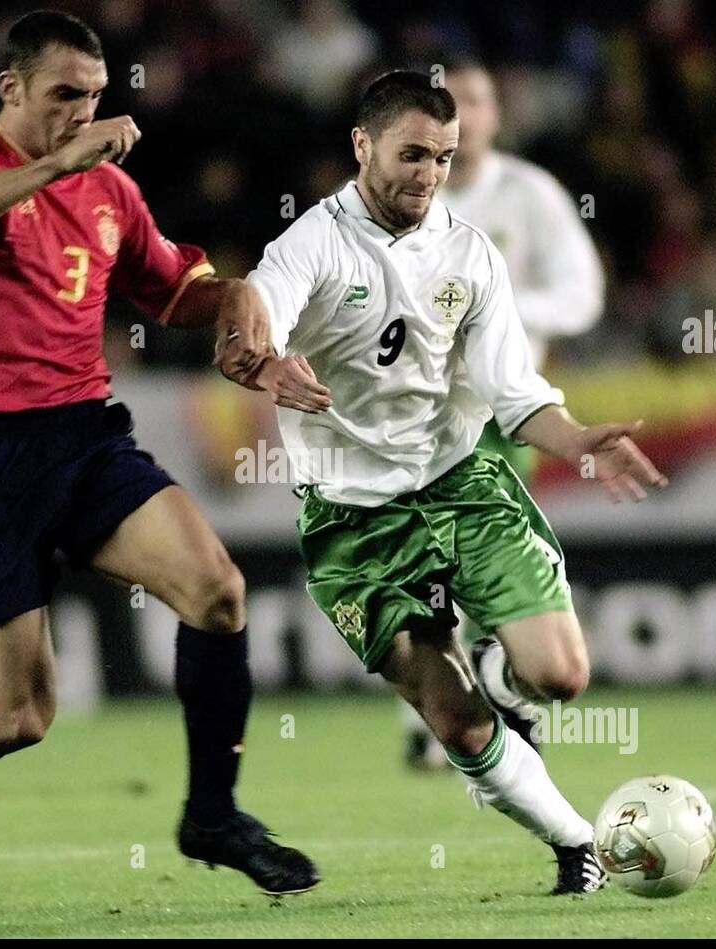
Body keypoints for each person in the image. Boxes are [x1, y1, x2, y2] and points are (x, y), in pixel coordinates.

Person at [0, 10, 328, 914]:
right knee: (18, 717)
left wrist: (241, 302)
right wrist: (54, 167)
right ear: (13, 89)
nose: (83, 112)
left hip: (87, 439)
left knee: (218, 592)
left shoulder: (110, 194)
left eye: (96, 97)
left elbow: (172, 286)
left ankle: (213, 815)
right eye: (64, 93)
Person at [224, 71, 666, 893]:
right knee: (457, 728)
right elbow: (251, 320)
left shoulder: (470, 253)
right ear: (363, 146)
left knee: (561, 678)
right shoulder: (309, 246)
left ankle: (501, 674)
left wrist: (577, 442)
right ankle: (579, 847)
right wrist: (266, 365)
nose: (429, 174)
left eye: (444, 157)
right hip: (353, 522)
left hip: (462, 484)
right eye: (413, 154)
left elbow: (516, 390)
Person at [397, 58, 608, 769]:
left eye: (480, 101)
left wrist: (502, 311)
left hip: (506, 409)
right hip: (413, 414)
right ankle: (462, 700)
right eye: (455, 103)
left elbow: (582, 295)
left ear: (493, 114)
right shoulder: (401, 199)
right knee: (424, 564)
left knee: (492, 558)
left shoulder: (530, 194)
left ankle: (493, 695)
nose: (469, 114)